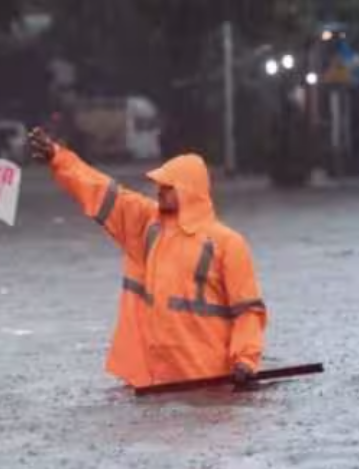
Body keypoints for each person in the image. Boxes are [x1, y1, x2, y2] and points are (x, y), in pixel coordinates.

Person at [28, 127, 268, 389]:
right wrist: (58, 158)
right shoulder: (147, 224)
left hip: (208, 382)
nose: (159, 191)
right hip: (152, 382)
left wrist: (245, 361)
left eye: (168, 187)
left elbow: (248, 311)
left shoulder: (228, 243)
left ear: (189, 191)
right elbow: (102, 192)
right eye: (159, 186)